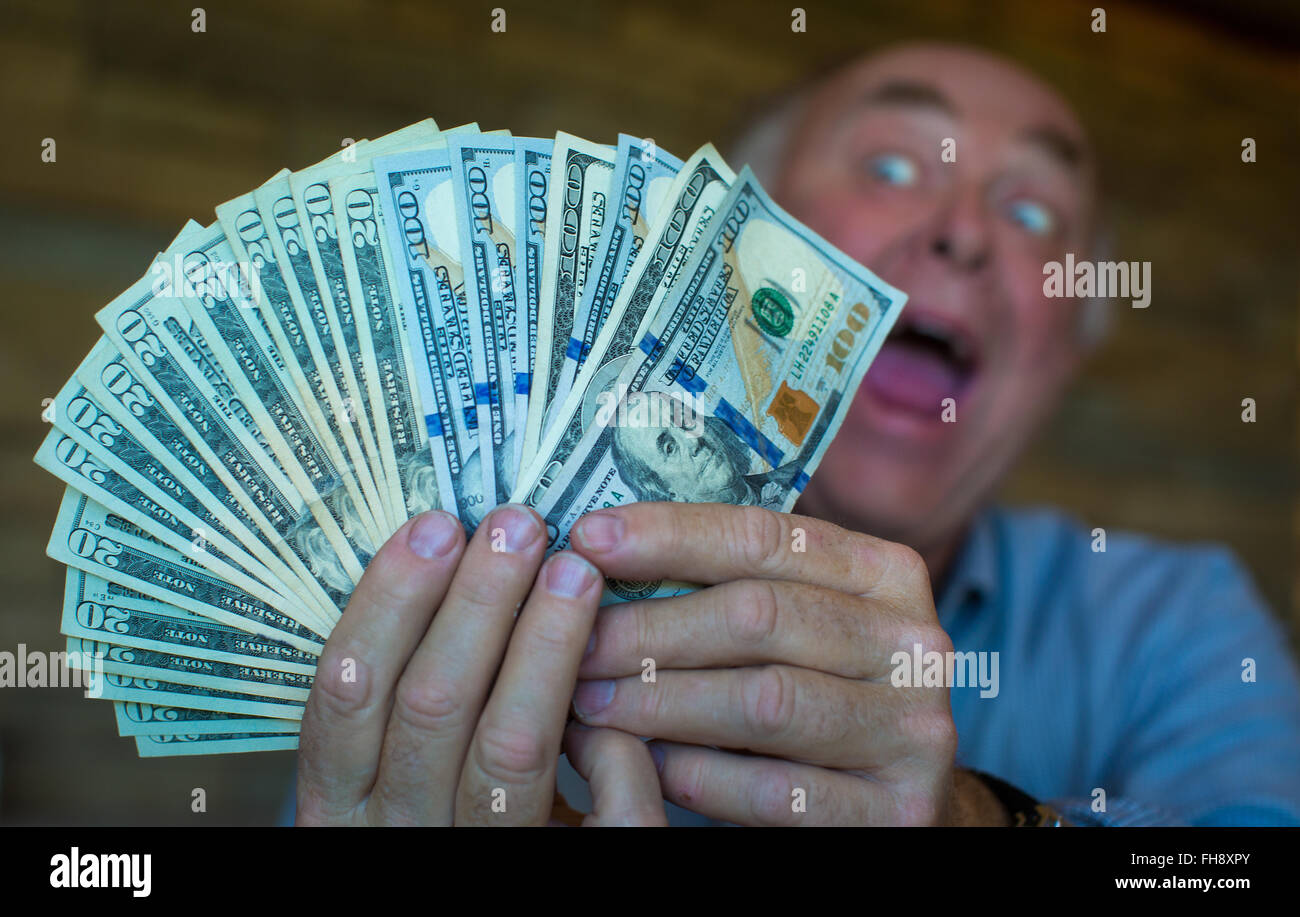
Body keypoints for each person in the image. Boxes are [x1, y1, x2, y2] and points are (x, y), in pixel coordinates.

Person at [291, 43, 1300, 826]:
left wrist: (979, 818)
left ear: (1065, 346)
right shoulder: (468, 570)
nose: (962, 229)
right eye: (893, 163)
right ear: (720, 238)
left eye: (1033, 211)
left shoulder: (1174, 616)